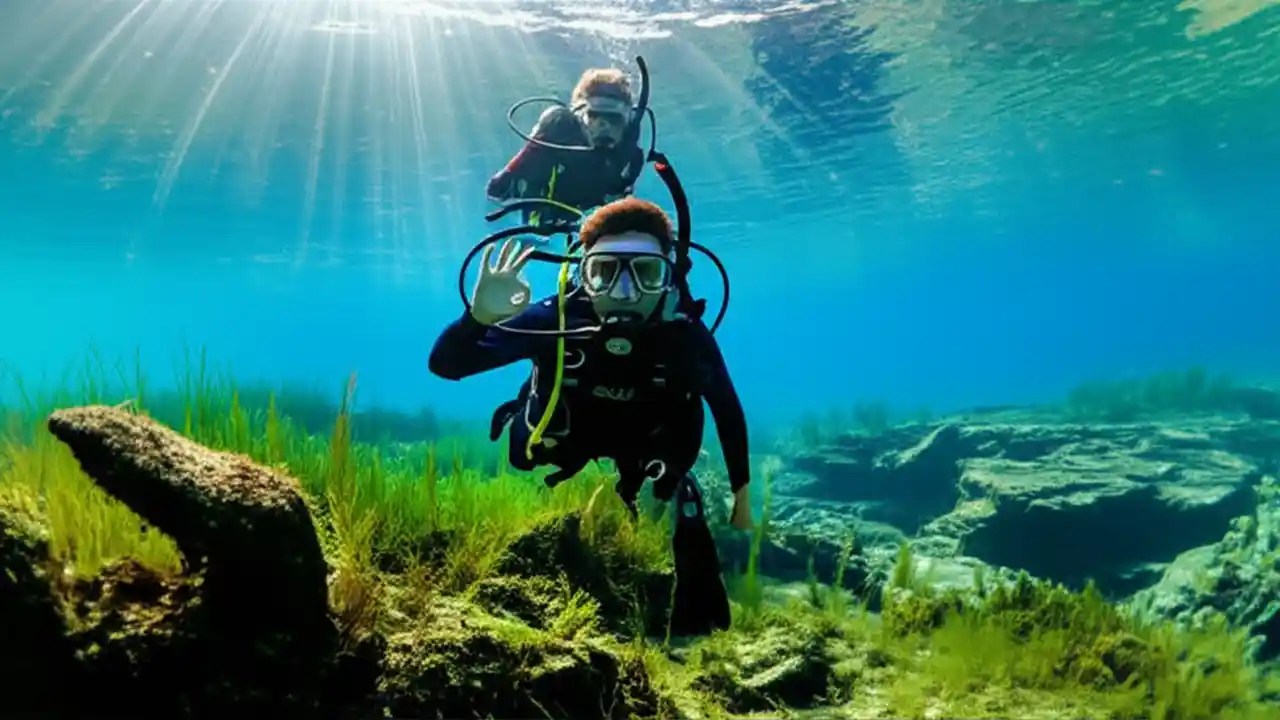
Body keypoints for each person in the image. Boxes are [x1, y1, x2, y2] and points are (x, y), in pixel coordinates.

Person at [429, 197, 752, 636]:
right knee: (523, 453)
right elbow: (448, 364)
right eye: (604, 272)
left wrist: (742, 498)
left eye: (646, 273)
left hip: (646, 444)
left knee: (670, 475)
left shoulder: (685, 336)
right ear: (583, 274)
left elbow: (727, 409)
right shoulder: (556, 317)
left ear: (668, 278)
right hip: (568, 434)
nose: (623, 293)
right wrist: (478, 318)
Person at [485, 68, 647, 227]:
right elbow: (497, 190)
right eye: (595, 116)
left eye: (615, 119)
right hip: (543, 221)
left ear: (628, 120)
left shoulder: (630, 154)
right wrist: (537, 147)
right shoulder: (557, 136)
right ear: (579, 115)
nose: (605, 127)